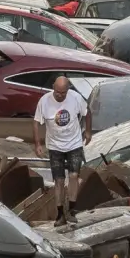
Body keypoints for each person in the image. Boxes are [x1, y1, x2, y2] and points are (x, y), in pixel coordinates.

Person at [32, 75, 91, 225]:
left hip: (74, 143)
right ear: (53, 87)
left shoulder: (76, 98)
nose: (59, 95)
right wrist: (37, 143)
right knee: (58, 180)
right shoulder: (44, 101)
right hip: (55, 146)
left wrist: (88, 131)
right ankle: (60, 215)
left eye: (63, 93)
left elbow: (87, 112)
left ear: (67, 90)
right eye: (57, 92)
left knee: (73, 176)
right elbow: (36, 122)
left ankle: (71, 209)